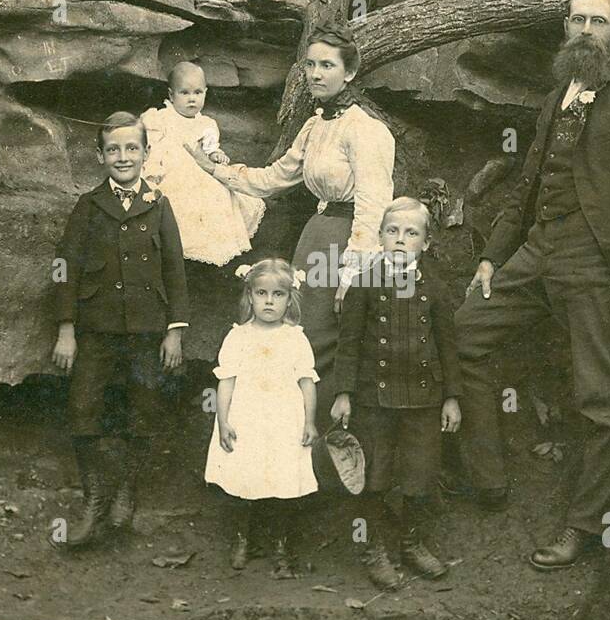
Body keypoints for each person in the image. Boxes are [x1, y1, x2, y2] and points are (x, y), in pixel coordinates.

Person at [450, 0, 610, 570]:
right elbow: (526, 186)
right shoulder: (558, 95)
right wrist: (494, 258)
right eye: (577, 20)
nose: (585, 30)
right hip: (536, 252)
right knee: (466, 329)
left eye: (598, 21)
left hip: (594, 263)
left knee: (601, 398)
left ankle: (584, 526)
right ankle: (489, 478)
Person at [184, 21, 395, 414]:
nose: (316, 74)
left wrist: (351, 275)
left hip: (348, 244)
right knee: (293, 337)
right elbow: (274, 178)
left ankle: (320, 446)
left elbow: (374, 205)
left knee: (321, 339)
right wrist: (215, 170)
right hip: (315, 236)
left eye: (327, 66)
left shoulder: (367, 130)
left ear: (349, 72)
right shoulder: (316, 126)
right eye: (311, 65)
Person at [51, 111, 189, 547]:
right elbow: (65, 269)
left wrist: (175, 330)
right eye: (114, 149)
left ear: (146, 153)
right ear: (100, 156)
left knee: (144, 409)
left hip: (148, 330)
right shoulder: (88, 207)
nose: (123, 156)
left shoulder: (160, 205)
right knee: (84, 408)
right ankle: (94, 501)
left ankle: (127, 491)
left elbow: (175, 270)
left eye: (132, 148)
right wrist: (67, 329)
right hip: (96, 330)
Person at [331, 198, 462, 591]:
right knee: (374, 475)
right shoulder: (364, 284)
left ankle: (411, 542)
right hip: (375, 398)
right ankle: (373, 550)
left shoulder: (435, 289)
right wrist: (343, 393)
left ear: (425, 242)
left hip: (423, 398)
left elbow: (448, 346)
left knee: (420, 474)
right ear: (380, 237)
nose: (400, 240)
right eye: (392, 231)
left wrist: (452, 397)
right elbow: (348, 344)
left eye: (411, 233)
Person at [205, 257, 318, 579]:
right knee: (245, 477)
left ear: (289, 299)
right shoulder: (238, 336)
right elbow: (226, 381)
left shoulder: (295, 337)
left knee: (283, 481)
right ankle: (244, 538)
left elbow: (306, 381)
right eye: (261, 293)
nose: (269, 301)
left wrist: (309, 421)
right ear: (250, 296)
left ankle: (281, 544)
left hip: (284, 420)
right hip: (248, 418)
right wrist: (223, 421)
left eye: (278, 295)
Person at [141, 61, 264, 265]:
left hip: (201, 173)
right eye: (185, 93)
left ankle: (210, 252)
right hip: (172, 172)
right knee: (178, 205)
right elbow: (154, 149)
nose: (192, 99)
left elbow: (210, 149)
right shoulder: (161, 119)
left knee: (216, 196)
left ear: (205, 93)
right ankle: (185, 251)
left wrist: (216, 155)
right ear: (171, 95)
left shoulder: (206, 124)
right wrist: (153, 174)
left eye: (198, 93)